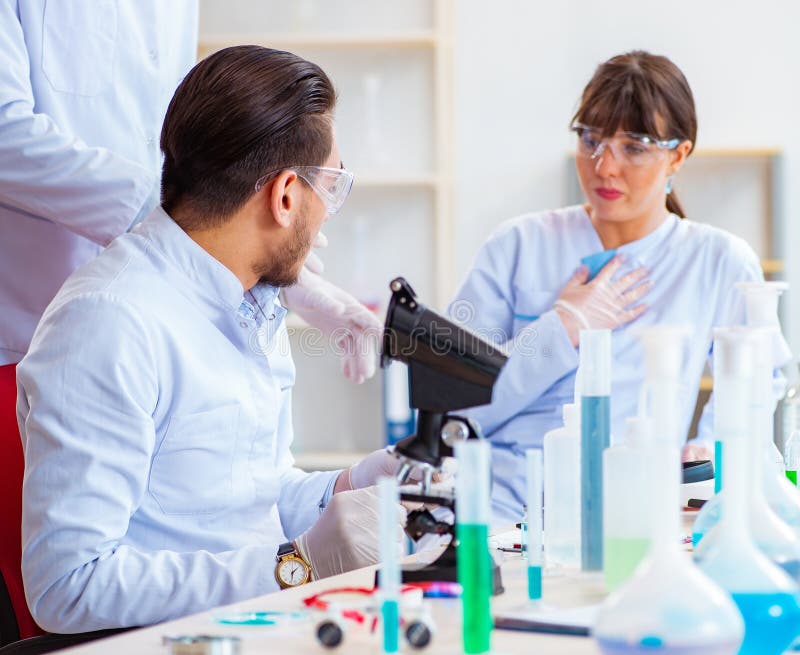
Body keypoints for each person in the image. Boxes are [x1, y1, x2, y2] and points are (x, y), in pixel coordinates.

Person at [17, 45, 405, 634]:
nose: (327, 214)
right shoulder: (110, 322)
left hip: (258, 626)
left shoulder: (250, 299)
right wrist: (298, 567)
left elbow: (250, 501)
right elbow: (67, 587)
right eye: (329, 187)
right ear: (283, 195)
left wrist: (347, 488)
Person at [449, 50, 789, 523]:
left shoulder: (718, 261)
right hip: (500, 512)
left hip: (637, 515)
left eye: (634, 147)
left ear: (677, 154)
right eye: (591, 140)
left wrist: (710, 448)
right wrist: (558, 330)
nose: (604, 166)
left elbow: (758, 378)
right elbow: (451, 408)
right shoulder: (519, 245)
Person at [0, 1, 380, 382]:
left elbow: (180, 140)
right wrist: (234, 240)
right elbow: (6, 136)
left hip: (174, 306)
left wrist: (272, 262)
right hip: (25, 331)